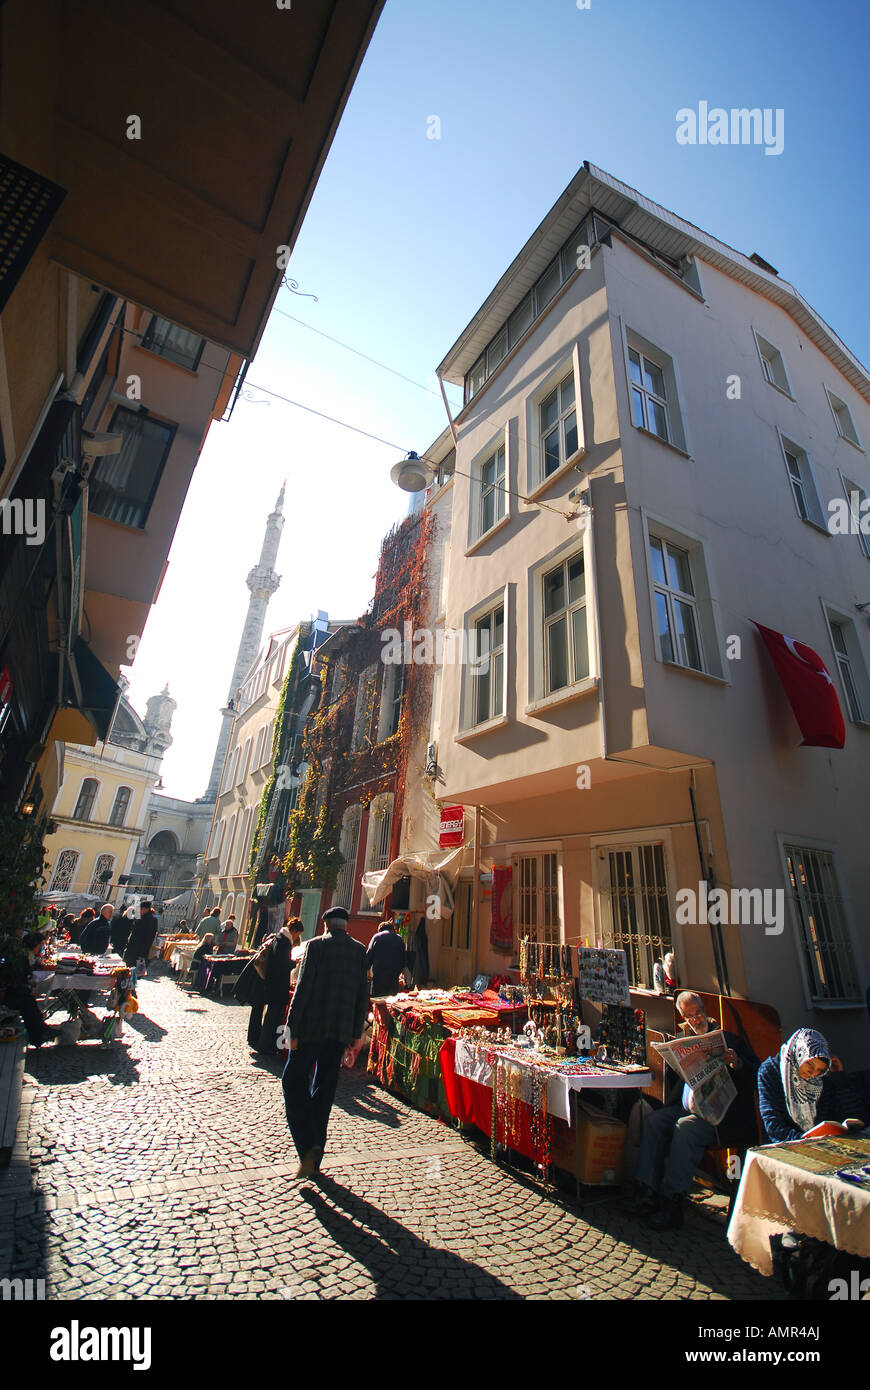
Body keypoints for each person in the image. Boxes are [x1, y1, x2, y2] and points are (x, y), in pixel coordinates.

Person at [626, 990, 759, 1230]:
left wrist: (736, 1063)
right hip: (687, 1108)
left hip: (720, 1118)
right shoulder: (686, 1039)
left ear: (705, 1011)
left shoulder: (729, 1040)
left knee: (684, 1129)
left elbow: (755, 1074)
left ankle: (672, 1202)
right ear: (683, 1017)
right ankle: (647, 1192)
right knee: (655, 1121)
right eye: (689, 1017)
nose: (695, 1020)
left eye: (698, 1014)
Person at [282, 906, 369, 1179]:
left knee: (292, 1080)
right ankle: (316, 1150)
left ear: (326, 926)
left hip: (312, 1028)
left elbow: (303, 987)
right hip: (339, 1032)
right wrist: (356, 1033)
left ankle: (307, 1144)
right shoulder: (359, 950)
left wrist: (292, 1028)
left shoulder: (316, 947)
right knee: (325, 1086)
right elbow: (361, 995)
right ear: (346, 926)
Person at [757, 1028, 867, 1142]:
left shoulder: (820, 1079)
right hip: (783, 1145)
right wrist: (803, 1140)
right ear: (798, 1053)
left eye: (819, 1070)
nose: (813, 1073)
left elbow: (849, 1114)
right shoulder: (770, 1071)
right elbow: (773, 1124)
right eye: (809, 1063)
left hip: (820, 1143)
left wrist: (840, 1079)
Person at [255, 920, 302, 1055]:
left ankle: (266, 1044)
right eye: (297, 934)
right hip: (278, 985)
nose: (296, 937)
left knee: (272, 1015)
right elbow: (282, 963)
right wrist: (294, 963)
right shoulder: (284, 942)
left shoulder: (279, 937)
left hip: (273, 983)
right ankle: (268, 1045)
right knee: (274, 1017)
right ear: (294, 931)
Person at [365, 918, 407, 997]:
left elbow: (368, 958)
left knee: (378, 1003)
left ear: (380, 929)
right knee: (390, 1003)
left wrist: (367, 973)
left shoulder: (376, 937)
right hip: (393, 978)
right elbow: (404, 961)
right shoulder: (399, 939)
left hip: (379, 977)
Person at [124, 901, 159, 972]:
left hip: (140, 951)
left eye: (140, 909)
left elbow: (149, 938)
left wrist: (142, 953)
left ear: (146, 909)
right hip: (133, 948)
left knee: (137, 972)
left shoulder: (152, 919)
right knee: (129, 969)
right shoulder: (140, 917)